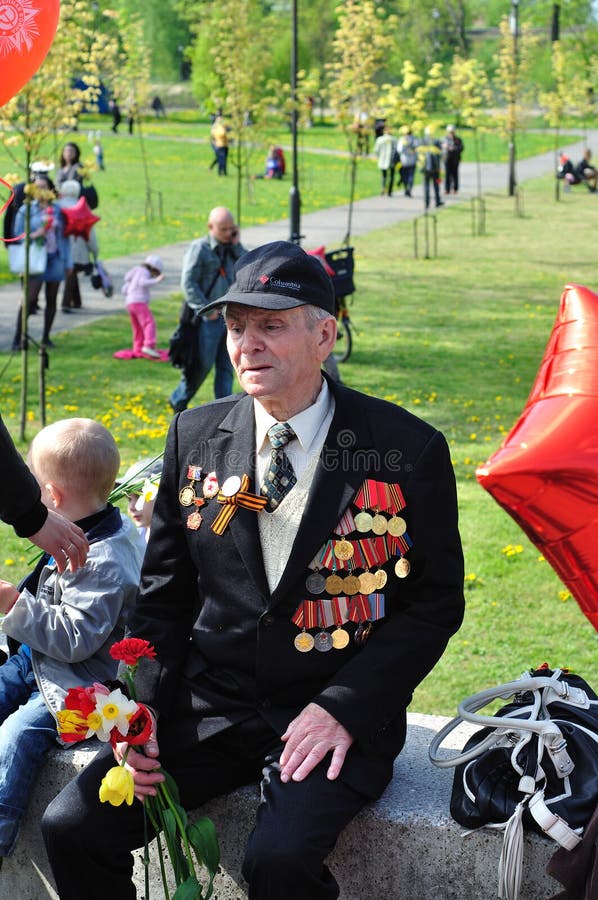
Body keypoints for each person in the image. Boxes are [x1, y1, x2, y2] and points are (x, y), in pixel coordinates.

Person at [42, 241, 465, 900]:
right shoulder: (195, 434)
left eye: (271, 325)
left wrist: (344, 708)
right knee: (72, 826)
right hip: (210, 707)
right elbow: (163, 600)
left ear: (324, 334)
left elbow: (434, 604)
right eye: (236, 326)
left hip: (330, 712)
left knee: (278, 863)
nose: (247, 344)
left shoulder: (403, 450)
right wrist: (138, 712)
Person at [0, 418, 144, 860]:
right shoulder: (91, 529)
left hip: (78, 685)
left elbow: (75, 639)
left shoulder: (103, 559)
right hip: (37, 662)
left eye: (34, 488)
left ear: (54, 497)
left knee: (17, 733)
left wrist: (13, 605)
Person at [168, 207, 246, 412]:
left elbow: (248, 268)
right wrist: (206, 310)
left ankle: (225, 408)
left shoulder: (233, 248)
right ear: (211, 227)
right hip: (208, 319)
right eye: (223, 229)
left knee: (227, 366)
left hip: (230, 318)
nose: (228, 233)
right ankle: (178, 400)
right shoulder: (199, 248)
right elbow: (188, 283)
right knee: (201, 365)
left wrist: (236, 245)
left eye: (231, 229)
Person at [0, 414, 88, 572]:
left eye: (36, 485)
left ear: (54, 495)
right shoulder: (123, 531)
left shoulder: (84, 563)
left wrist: (14, 597)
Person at [11, 174, 72, 351]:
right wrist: (36, 234)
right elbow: (18, 235)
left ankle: (46, 337)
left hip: (55, 258)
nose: (41, 191)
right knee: (28, 299)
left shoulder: (58, 211)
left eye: (44, 187)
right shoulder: (26, 210)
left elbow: (65, 238)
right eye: (38, 187)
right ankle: (19, 337)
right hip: (35, 259)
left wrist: (68, 263)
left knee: (51, 299)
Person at [58, 179, 98, 313]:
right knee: (72, 272)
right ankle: (66, 303)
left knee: (71, 273)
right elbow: (90, 233)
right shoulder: (82, 208)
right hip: (78, 247)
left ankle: (76, 301)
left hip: (60, 245)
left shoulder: (57, 207)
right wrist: (94, 251)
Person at [122, 254, 165, 359]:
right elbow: (143, 283)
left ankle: (138, 347)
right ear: (153, 268)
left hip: (130, 302)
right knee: (149, 323)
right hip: (139, 301)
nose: (153, 275)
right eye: (155, 273)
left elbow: (127, 281)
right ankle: (148, 345)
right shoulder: (144, 272)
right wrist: (157, 280)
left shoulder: (136, 271)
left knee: (137, 326)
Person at [118, 456, 163, 544]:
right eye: (129, 499)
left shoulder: (172, 539)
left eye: (139, 497)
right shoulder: (136, 538)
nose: (132, 507)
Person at [420, 128, 444, 210]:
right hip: (435, 168)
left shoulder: (422, 141)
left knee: (426, 185)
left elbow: (420, 154)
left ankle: (427, 203)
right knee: (436, 184)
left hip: (425, 168)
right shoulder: (436, 141)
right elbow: (440, 154)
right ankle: (437, 201)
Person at [374, 125, 398, 197]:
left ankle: (383, 188)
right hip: (392, 161)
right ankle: (389, 191)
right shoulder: (394, 139)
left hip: (383, 160)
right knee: (391, 176)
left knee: (384, 176)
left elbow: (376, 150)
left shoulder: (380, 139)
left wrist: (379, 157)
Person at [442, 125, 464, 195]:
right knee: (447, 175)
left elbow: (461, 148)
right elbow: (440, 147)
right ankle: (447, 189)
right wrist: (444, 147)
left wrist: (454, 148)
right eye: (450, 132)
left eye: (452, 132)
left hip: (455, 159)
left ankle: (455, 189)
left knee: (455, 174)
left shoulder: (458, 140)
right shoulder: (444, 139)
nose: (451, 133)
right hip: (447, 159)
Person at [397, 127, 418, 198]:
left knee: (405, 176)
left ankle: (406, 188)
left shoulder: (402, 139)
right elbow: (417, 148)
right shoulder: (414, 139)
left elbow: (399, 150)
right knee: (411, 176)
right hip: (412, 160)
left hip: (404, 160)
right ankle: (409, 189)